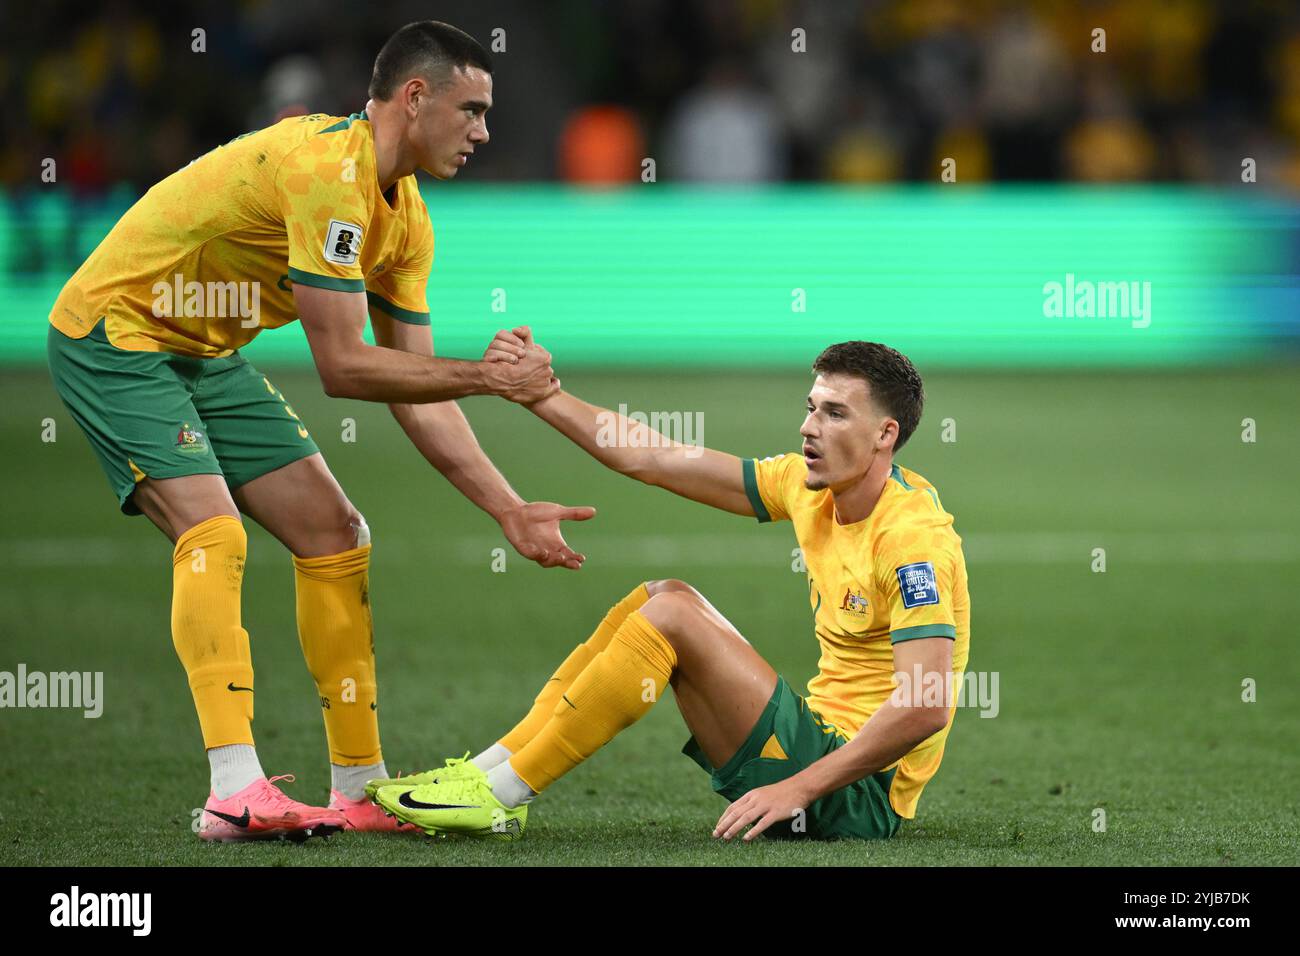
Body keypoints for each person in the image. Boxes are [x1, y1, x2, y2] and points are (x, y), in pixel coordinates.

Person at [45, 22, 594, 842]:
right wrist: (487, 377)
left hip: (200, 348)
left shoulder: (404, 219)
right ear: (414, 97)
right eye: (471, 110)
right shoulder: (326, 174)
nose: (483, 131)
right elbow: (344, 366)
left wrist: (506, 508)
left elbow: (414, 388)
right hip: (116, 332)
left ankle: (360, 791)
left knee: (337, 534)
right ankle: (232, 792)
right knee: (214, 531)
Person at [372, 338, 970, 842]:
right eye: (811, 408)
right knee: (659, 594)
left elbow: (926, 705)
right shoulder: (807, 486)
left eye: (835, 414)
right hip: (818, 747)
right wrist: (543, 396)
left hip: (857, 796)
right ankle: (483, 773)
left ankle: (502, 797)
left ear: (885, 434)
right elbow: (656, 458)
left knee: (675, 617)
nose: (808, 428)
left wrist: (796, 788)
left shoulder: (912, 541)